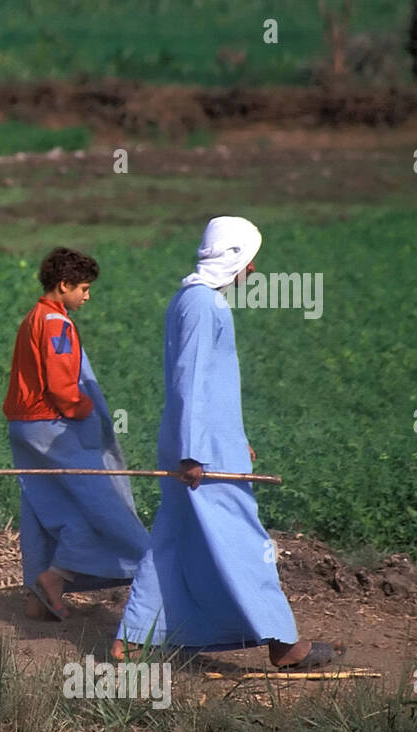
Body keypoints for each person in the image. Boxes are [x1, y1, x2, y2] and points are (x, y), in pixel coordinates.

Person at [111, 217, 341, 669]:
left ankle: (132, 639)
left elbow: (208, 386)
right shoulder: (205, 306)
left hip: (200, 444)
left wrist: (235, 439)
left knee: (172, 540)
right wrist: (196, 451)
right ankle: (281, 642)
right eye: (249, 259)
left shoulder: (189, 298)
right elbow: (191, 381)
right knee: (244, 539)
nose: (253, 270)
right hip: (201, 456)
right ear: (234, 257)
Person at [3, 247, 150, 621]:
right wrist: (87, 413)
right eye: (83, 288)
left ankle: (40, 596)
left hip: (23, 426)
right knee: (103, 503)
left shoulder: (33, 317)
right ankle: (154, 567)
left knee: (43, 506)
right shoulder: (57, 325)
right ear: (63, 285)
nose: (87, 295)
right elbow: (62, 387)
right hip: (51, 427)